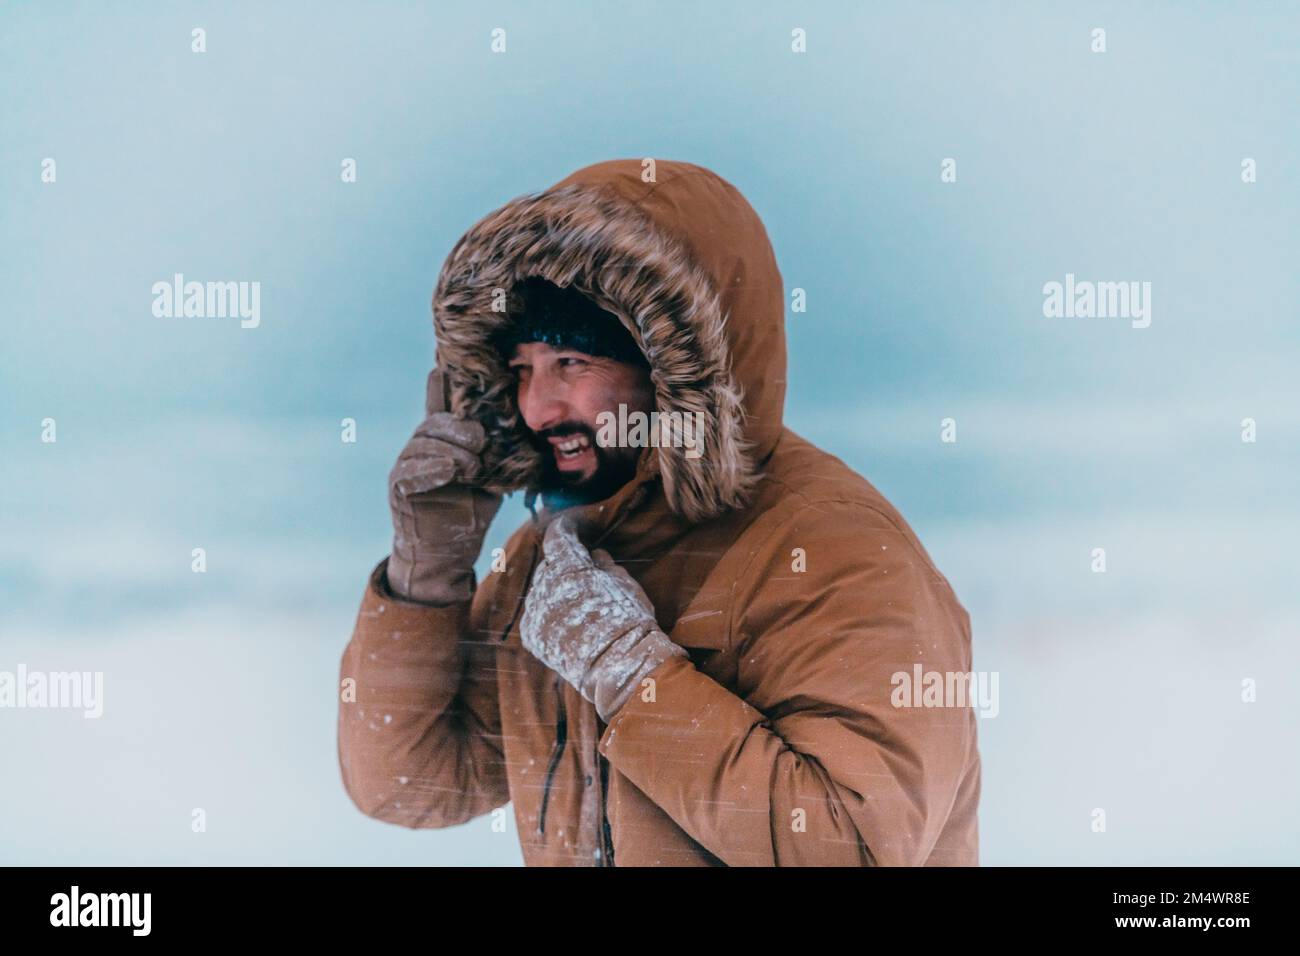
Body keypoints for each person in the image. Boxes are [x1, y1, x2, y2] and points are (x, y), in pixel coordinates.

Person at [337, 159, 981, 866]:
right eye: (521, 370)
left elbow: (855, 849)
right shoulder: (555, 560)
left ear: (672, 368)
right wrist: (425, 576)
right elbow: (409, 783)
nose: (537, 408)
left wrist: (637, 677)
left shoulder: (835, 548)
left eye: (572, 365)